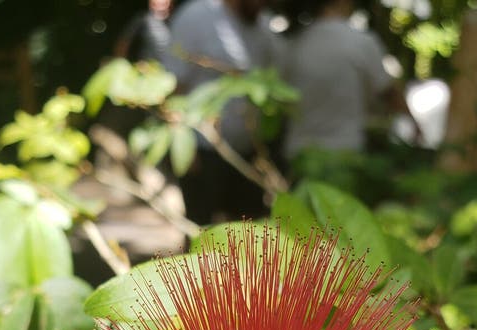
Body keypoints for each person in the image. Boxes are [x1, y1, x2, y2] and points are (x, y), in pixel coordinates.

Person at [164, 0, 283, 224]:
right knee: (202, 229)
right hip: (203, 149)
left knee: (249, 235)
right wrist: (183, 147)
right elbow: (174, 87)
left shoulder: (263, 24)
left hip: (247, 151)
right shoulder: (196, 16)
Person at [282, 0, 415, 183]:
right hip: (345, 155)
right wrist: (415, 125)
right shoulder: (362, 42)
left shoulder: (295, 44)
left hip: (299, 156)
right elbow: (389, 91)